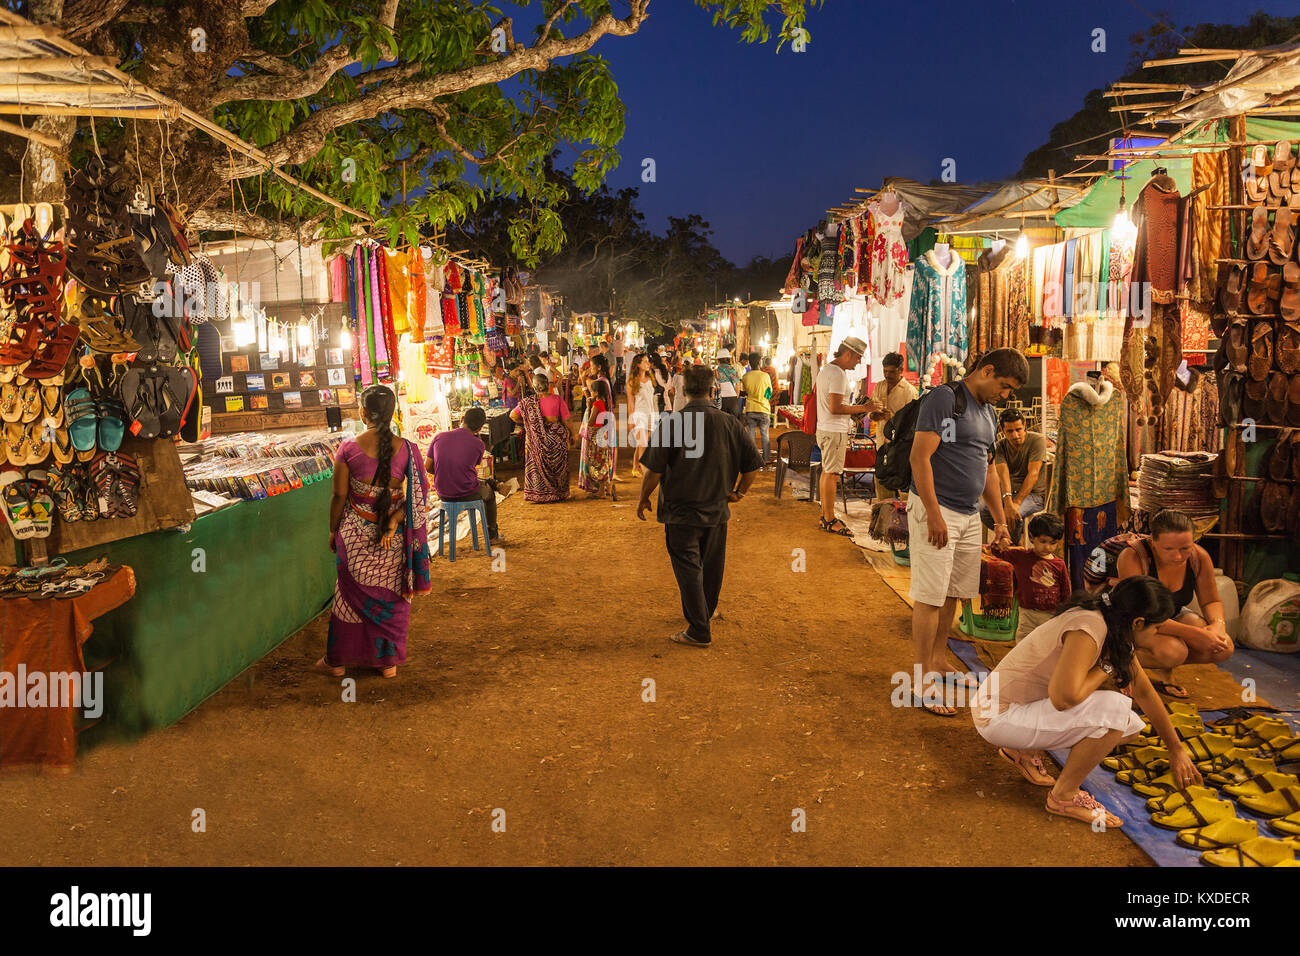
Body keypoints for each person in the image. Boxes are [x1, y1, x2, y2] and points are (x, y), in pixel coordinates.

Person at [972, 576, 1200, 828]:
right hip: (997, 715)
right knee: (1115, 710)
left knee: (1129, 726)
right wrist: (1107, 667)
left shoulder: (1110, 623)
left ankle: (1021, 750)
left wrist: (1176, 750)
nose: (1157, 635)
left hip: (1010, 707)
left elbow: (1144, 692)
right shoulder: (1089, 627)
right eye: (1156, 629)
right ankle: (1063, 798)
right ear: (1138, 622)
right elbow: (1063, 699)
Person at [908, 347, 1028, 715]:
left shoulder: (990, 414)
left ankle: (939, 658)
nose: (1006, 396)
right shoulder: (946, 399)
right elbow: (919, 457)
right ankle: (920, 679)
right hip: (937, 509)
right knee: (929, 595)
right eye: (1004, 386)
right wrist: (932, 512)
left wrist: (1000, 520)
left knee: (953, 594)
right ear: (987, 371)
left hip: (967, 514)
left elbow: (988, 470)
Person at [637, 364, 763, 647]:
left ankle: (698, 629)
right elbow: (753, 467)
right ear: (712, 390)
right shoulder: (731, 423)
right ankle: (705, 612)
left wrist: (644, 497)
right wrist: (739, 493)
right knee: (711, 565)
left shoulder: (671, 423)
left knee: (689, 567)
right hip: (717, 509)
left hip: (681, 511)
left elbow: (653, 471)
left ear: (683, 390)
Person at [318, 384, 430, 679]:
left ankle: (338, 662)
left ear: (363, 413)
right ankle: (387, 662)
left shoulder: (348, 448)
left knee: (345, 598)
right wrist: (394, 518)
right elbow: (419, 499)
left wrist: (333, 531)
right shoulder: (407, 449)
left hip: (353, 536)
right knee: (391, 597)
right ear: (393, 413)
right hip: (390, 541)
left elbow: (339, 496)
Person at [1115, 508, 1234, 699]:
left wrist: (1217, 625)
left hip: (1170, 615)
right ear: (1153, 541)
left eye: (1185, 548)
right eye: (1169, 549)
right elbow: (1145, 615)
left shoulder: (1199, 557)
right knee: (1174, 651)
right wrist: (1196, 634)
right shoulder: (1132, 557)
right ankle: (1115, 659)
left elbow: (1211, 600)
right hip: (1134, 620)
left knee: (1223, 646)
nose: (1178, 556)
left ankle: (1161, 667)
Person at [814, 336, 871, 536]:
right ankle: (829, 519)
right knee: (831, 474)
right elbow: (835, 407)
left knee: (827, 472)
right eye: (857, 358)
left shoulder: (826, 370)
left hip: (826, 429)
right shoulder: (837, 374)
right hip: (833, 431)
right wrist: (864, 407)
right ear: (848, 354)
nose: (859, 362)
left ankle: (825, 515)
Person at [427, 404, 501, 543]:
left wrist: (443, 474)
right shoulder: (478, 444)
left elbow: (428, 466)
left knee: (478, 481)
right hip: (467, 492)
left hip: (443, 493)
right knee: (489, 495)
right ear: (479, 428)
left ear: (462, 419)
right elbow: (469, 466)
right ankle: (492, 535)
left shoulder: (439, 437)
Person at [993, 511, 1070, 642]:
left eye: (1053, 543)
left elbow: (1066, 591)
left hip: (1051, 615)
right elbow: (997, 552)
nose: (1047, 547)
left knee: (1047, 646)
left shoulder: (1059, 564)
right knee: (1023, 644)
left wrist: (1065, 613)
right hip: (1027, 613)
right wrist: (1001, 542)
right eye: (1043, 541)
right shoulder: (1021, 556)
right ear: (1031, 537)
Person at [982, 408, 1048, 543]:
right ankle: (1010, 541)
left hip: (1033, 495)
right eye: (1010, 431)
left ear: (1025, 426)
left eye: (1019, 429)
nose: (1015, 435)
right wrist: (1008, 502)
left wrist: (1015, 504)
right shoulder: (1000, 446)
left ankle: (1012, 547)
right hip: (1009, 493)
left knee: (1014, 516)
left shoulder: (1037, 440)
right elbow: (1003, 475)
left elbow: (1033, 474)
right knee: (983, 509)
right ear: (1002, 430)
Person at [509, 370, 572, 503]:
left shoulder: (528, 402)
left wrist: (529, 422)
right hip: (556, 437)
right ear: (547, 385)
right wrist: (572, 435)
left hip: (536, 439)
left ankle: (539, 493)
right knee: (558, 466)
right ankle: (559, 493)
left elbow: (513, 416)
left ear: (534, 386)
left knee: (536, 466)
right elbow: (567, 421)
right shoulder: (557, 399)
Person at [867, 352, 918, 498]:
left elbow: (912, 423)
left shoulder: (910, 392)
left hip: (900, 448)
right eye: (885, 371)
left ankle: (902, 519)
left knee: (903, 490)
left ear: (901, 370)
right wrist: (874, 415)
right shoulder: (879, 386)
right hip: (881, 445)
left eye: (891, 372)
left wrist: (893, 418)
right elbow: (871, 411)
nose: (887, 375)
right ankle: (884, 517)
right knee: (882, 487)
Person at [578, 355, 617, 499]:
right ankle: (607, 486)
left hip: (597, 433)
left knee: (597, 462)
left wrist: (583, 381)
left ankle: (601, 488)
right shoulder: (604, 383)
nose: (590, 369)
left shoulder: (600, 384)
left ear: (599, 367)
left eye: (592, 366)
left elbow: (591, 415)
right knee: (603, 460)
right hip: (603, 430)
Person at [626, 352, 657, 476]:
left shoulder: (650, 379)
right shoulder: (632, 382)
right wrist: (631, 419)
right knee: (643, 444)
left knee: (643, 443)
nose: (648, 363)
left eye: (648, 361)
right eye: (645, 361)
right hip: (639, 415)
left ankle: (635, 466)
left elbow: (652, 399)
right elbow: (630, 402)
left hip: (650, 414)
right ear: (638, 364)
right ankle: (645, 472)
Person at [741, 350, 773, 466]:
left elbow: (744, 392)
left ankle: (752, 458)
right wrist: (763, 398)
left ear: (749, 363)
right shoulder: (765, 376)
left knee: (751, 434)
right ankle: (766, 458)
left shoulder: (745, 376)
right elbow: (769, 393)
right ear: (760, 362)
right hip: (763, 408)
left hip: (750, 408)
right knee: (765, 434)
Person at [715, 348, 743, 419]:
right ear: (728, 359)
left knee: (722, 422)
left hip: (721, 399)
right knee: (733, 422)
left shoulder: (716, 371)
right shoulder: (732, 370)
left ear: (718, 360)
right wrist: (736, 397)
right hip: (732, 398)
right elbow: (738, 384)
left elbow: (715, 385)